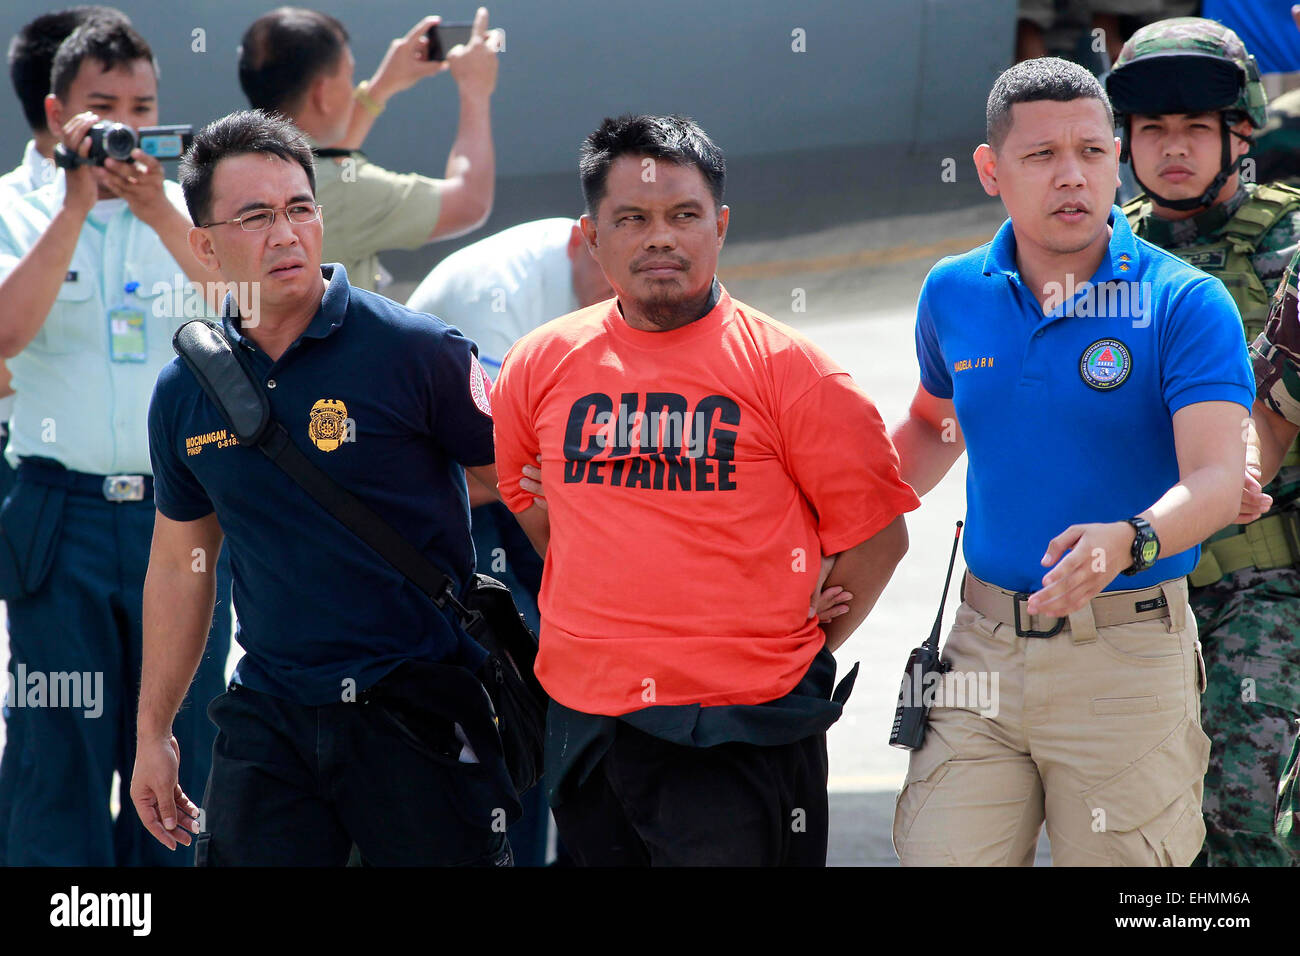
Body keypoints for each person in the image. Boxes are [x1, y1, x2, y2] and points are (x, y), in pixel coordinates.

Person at [491, 113, 920, 867]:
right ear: (592, 238)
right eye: (633, 218)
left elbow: (878, 538)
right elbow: (535, 511)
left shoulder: (796, 374)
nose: (661, 237)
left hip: (739, 732)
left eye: (683, 215)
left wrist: (797, 646)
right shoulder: (538, 364)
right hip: (589, 726)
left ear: (718, 227)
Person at [889, 57, 1253, 866]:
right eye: (1042, 156)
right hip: (978, 652)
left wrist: (1128, 539)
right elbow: (930, 426)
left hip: (1125, 655)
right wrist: (827, 518)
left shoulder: (1183, 302)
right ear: (991, 169)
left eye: (1091, 152)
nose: (1072, 177)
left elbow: (1217, 482)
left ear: (1114, 156)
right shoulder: (953, 292)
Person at [132, 109, 515, 867]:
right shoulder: (186, 394)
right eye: (255, 217)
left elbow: (531, 490)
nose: (285, 234)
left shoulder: (417, 350)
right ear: (205, 246)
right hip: (271, 713)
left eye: (299, 209)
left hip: (418, 709)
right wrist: (153, 734)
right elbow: (182, 565)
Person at [0, 15, 232, 867]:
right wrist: (73, 205)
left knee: (180, 741)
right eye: (103, 109)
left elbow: (250, 309)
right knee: (56, 744)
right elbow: (4, 333)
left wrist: (160, 213)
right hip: (59, 514)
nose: (124, 125)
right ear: (60, 113)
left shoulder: (181, 210)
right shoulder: (12, 207)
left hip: (180, 517)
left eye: (143, 106)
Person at [1106, 16, 1300, 867]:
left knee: (1250, 816)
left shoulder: (1289, 247)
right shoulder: (1096, 253)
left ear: (1241, 130)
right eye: (1152, 129)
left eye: (1194, 128)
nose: (1172, 148)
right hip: (1129, 582)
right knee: (1137, 829)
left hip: (1265, 581)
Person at [406, 216, 611, 866]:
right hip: (468, 484)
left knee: (582, 655)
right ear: (583, 238)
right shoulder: (495, 295)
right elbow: (489, 469)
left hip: (534, 469)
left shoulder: (623, 264)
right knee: (518, 673)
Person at [236, 6, 500, 294]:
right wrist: (475, 91)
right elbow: (470, 202)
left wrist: (384, 86)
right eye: (349, 76)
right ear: (322, 94)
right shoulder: (339, 192)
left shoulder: (234, 162)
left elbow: (328, 156)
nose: (353, 89)